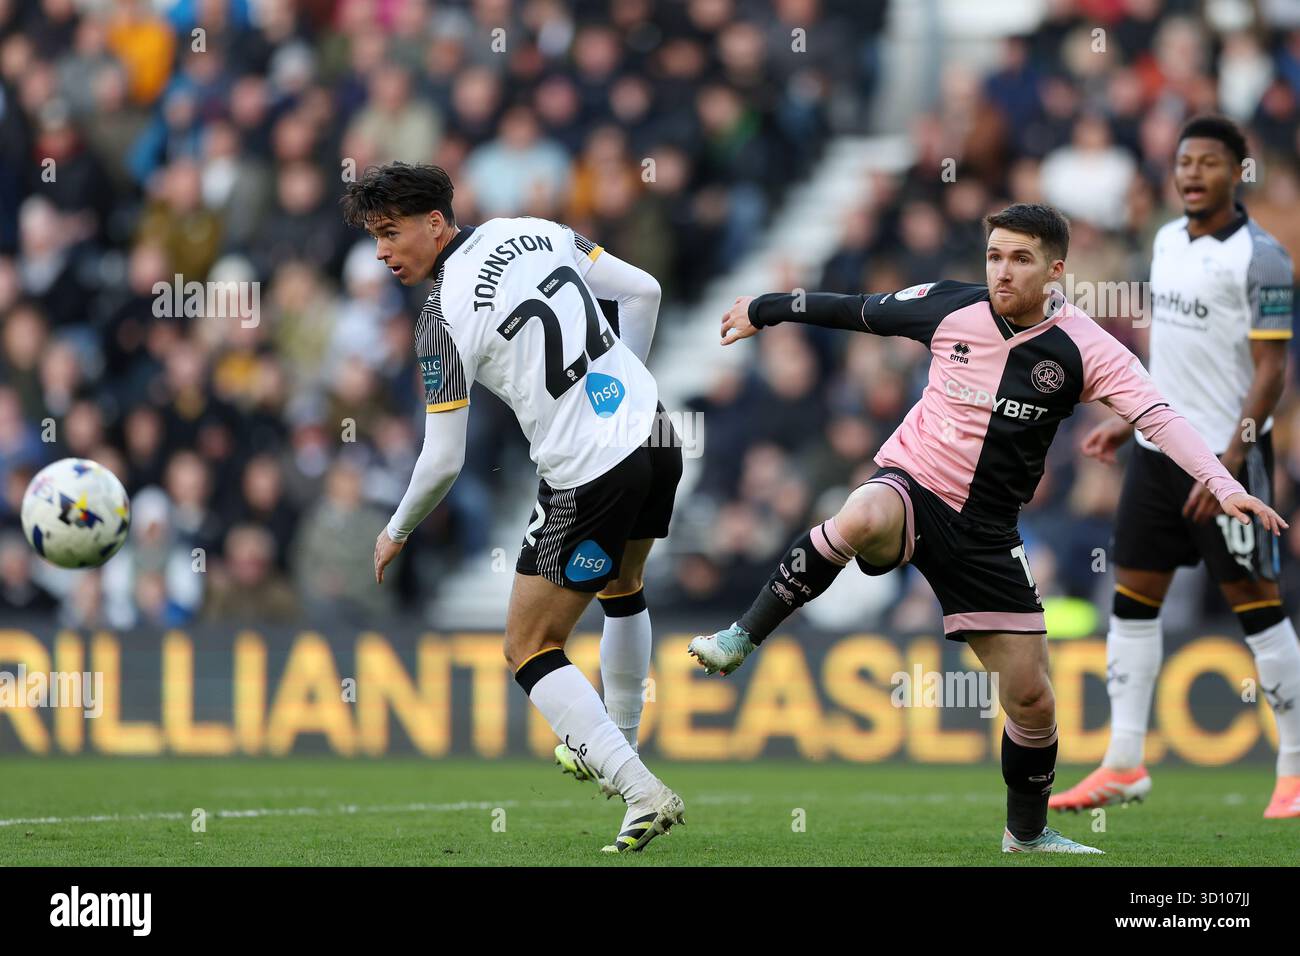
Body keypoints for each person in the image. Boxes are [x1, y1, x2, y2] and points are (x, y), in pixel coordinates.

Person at [688, 201, 1288, 854]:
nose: (1002, 271)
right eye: (994, 255)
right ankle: (742, 636)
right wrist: (765, 307)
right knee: (861, 512)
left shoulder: (1087, 349)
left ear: (1055, 270)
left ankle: (1025, 835)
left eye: (1020, 258)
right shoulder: (949, 308)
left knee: (1032, 701)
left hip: (987, 536)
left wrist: (1225, 484)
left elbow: (1162, 419)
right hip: (912, 490)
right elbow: (855, 308)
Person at [341, 162, 684, 853]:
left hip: (589, 469)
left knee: (528, 646)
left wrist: (395, 529)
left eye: (390, 232)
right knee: (623, 586)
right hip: (655, 429)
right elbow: (644, 290)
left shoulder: (440, 319)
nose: (382, 251)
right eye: (375, 237)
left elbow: (441, 461)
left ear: (435, 224)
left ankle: (640, 787)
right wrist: (625, 388)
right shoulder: (534, 229)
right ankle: (617, 748)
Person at [1053, 115, 1300, 819]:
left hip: (1231, 459)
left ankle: (1293, 770)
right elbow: (1172, 361)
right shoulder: (1163, 240)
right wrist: (1131, 424)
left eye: (1209, 162)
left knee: (1260, 613)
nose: (1191, 173)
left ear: (1237, 173)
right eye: (1183, 161)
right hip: (1161, 456)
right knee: (1131, 607)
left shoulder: (1264, 257)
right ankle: (1124, 763)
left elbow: (1273, 370)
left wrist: (1229, 462)